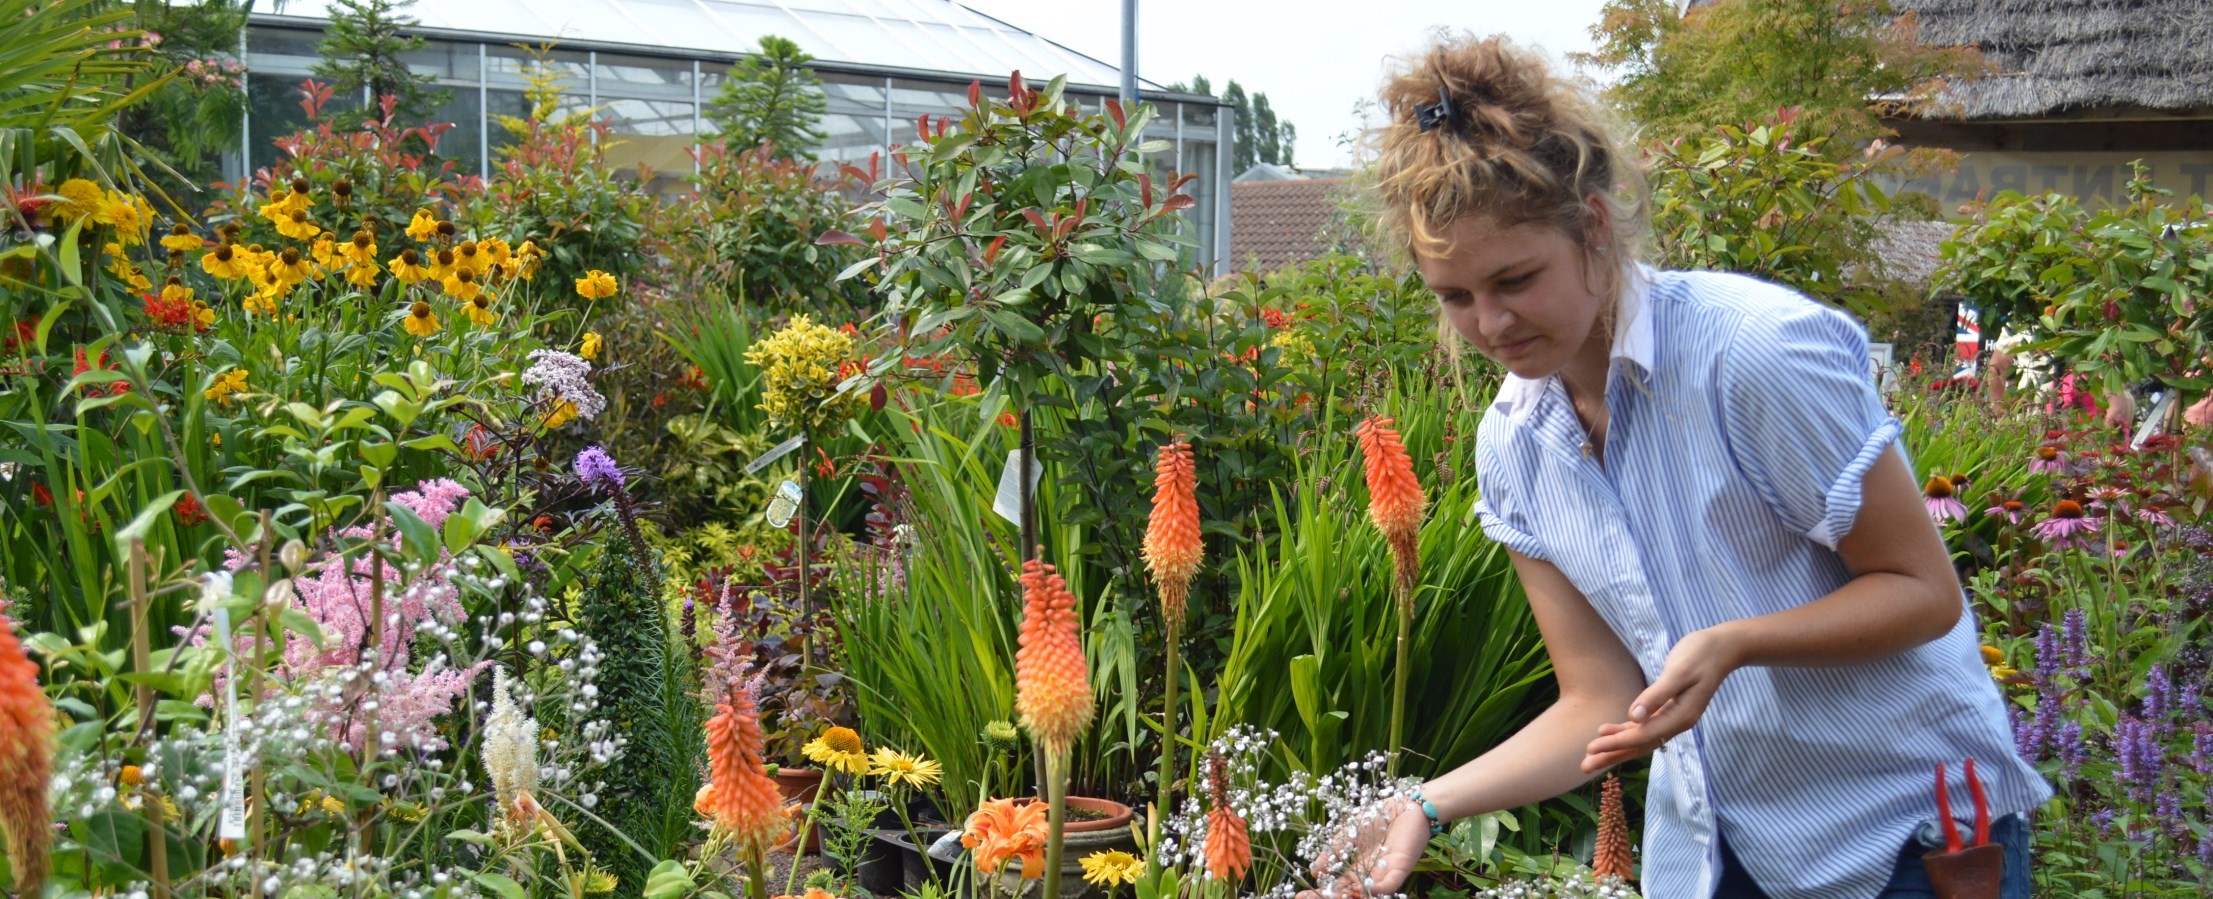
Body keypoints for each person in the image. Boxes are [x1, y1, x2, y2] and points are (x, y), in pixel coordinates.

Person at [1309, 34, 2051, 899]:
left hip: (1901, 838)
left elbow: (1923, 593)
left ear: (1591, 224)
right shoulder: (1514, 442)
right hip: (1716, 854)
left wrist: (1737, 642)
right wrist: (1422, 806)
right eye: (1455, 295)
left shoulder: (1754, 354)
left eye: (1515, 278)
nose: (1490, 322)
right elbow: (1595, 698)